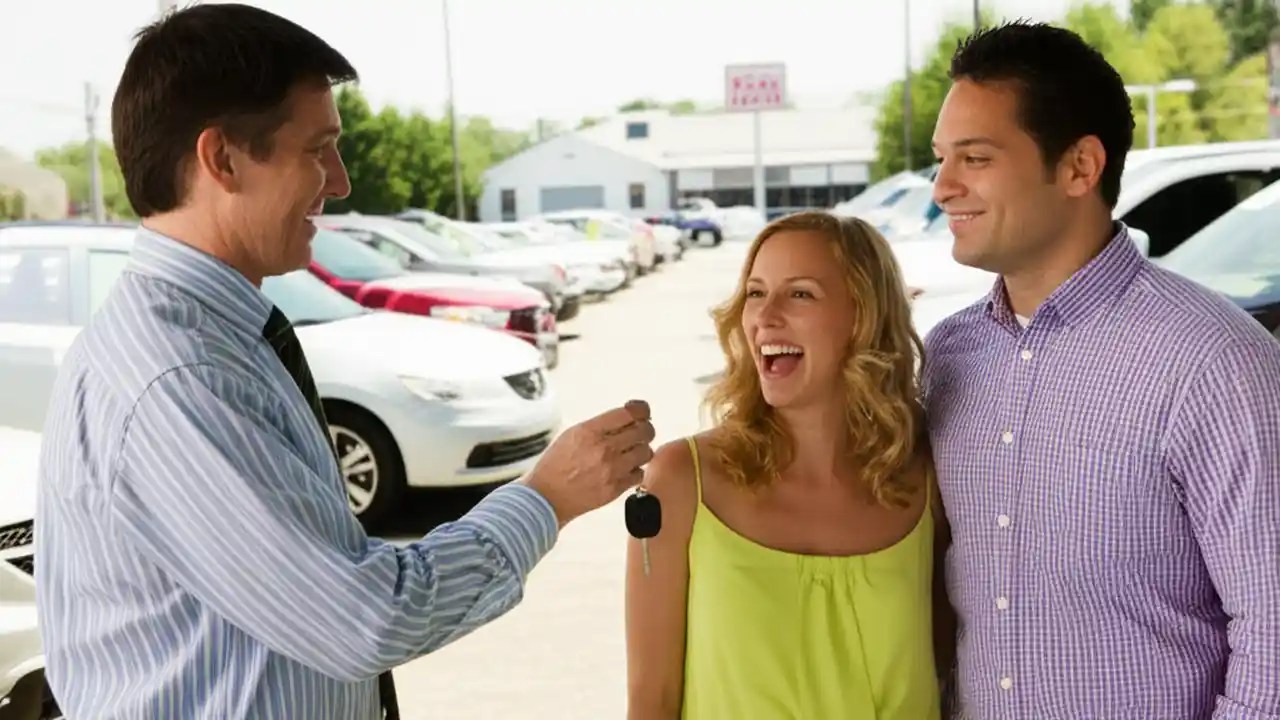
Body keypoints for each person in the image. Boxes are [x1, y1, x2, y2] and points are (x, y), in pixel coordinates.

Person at [33, 5, 654, 719]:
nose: (341, 180)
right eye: (317, 148)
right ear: (223, 159)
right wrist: (547, 498)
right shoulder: (181, 375)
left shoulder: (214, 336)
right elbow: (363, 618)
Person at [924, 20, 1280, 719]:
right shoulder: (947, 357)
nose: (942, 187)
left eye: (975, 157)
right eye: (942, 158)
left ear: (1080, 167)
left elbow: (1273, 636)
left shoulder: (1214, 363)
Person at [624, 211, 951, 719]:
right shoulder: (681, 479)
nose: (765, 317)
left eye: (800, 294)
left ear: (863, 317)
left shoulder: (925, 479)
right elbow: (651, 702)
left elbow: (945, 670)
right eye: (756, 293)